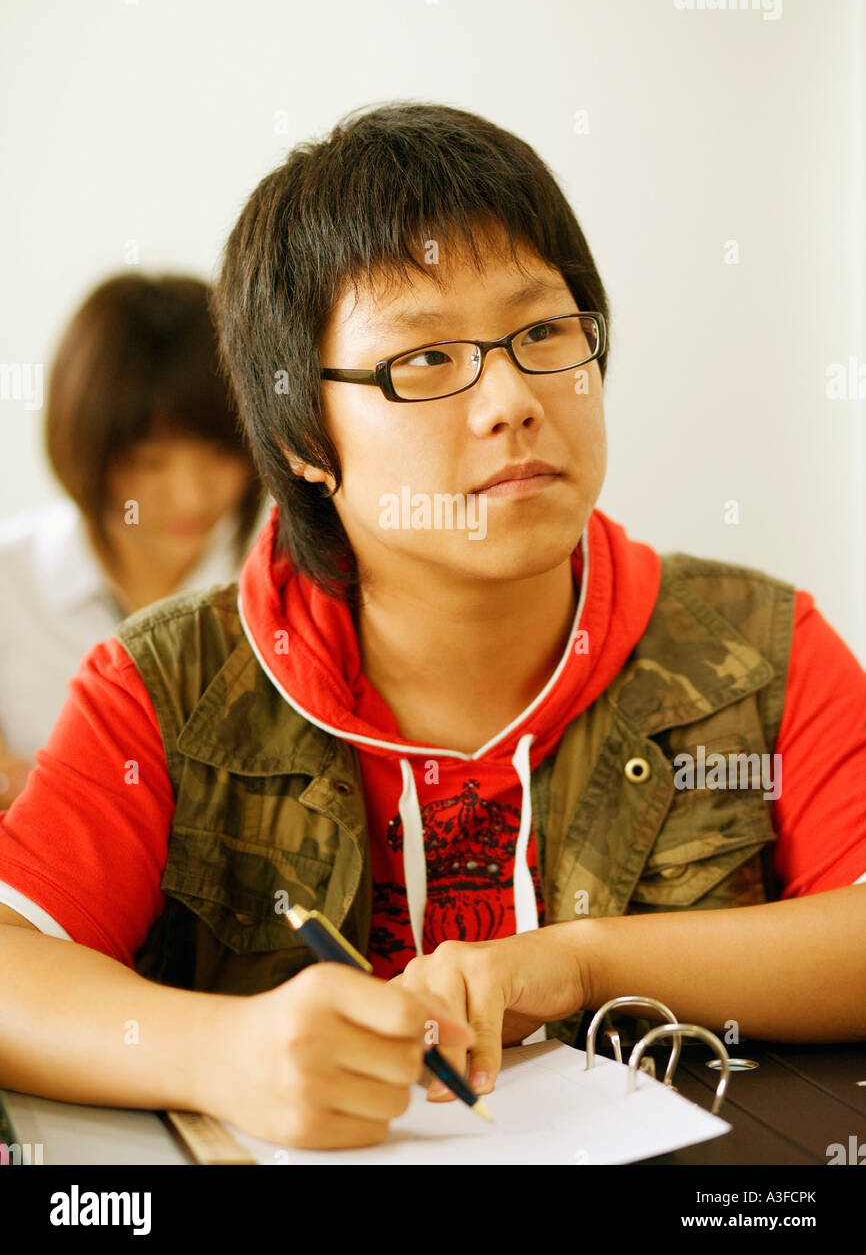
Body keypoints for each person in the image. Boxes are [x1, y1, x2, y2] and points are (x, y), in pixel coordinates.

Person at [0, 102, 864, 1153]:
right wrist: (219, 1050)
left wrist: (585, 964)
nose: (509, 398)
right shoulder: (164, 682)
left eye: (543, 331)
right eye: (422, 361)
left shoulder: (759, 647)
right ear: (303, 437)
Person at [0, 272, 266, 806]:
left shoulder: (284, 592)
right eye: (151, 462)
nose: (191, 496)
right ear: (87, 443)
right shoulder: (11, 584)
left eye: (221, 453)